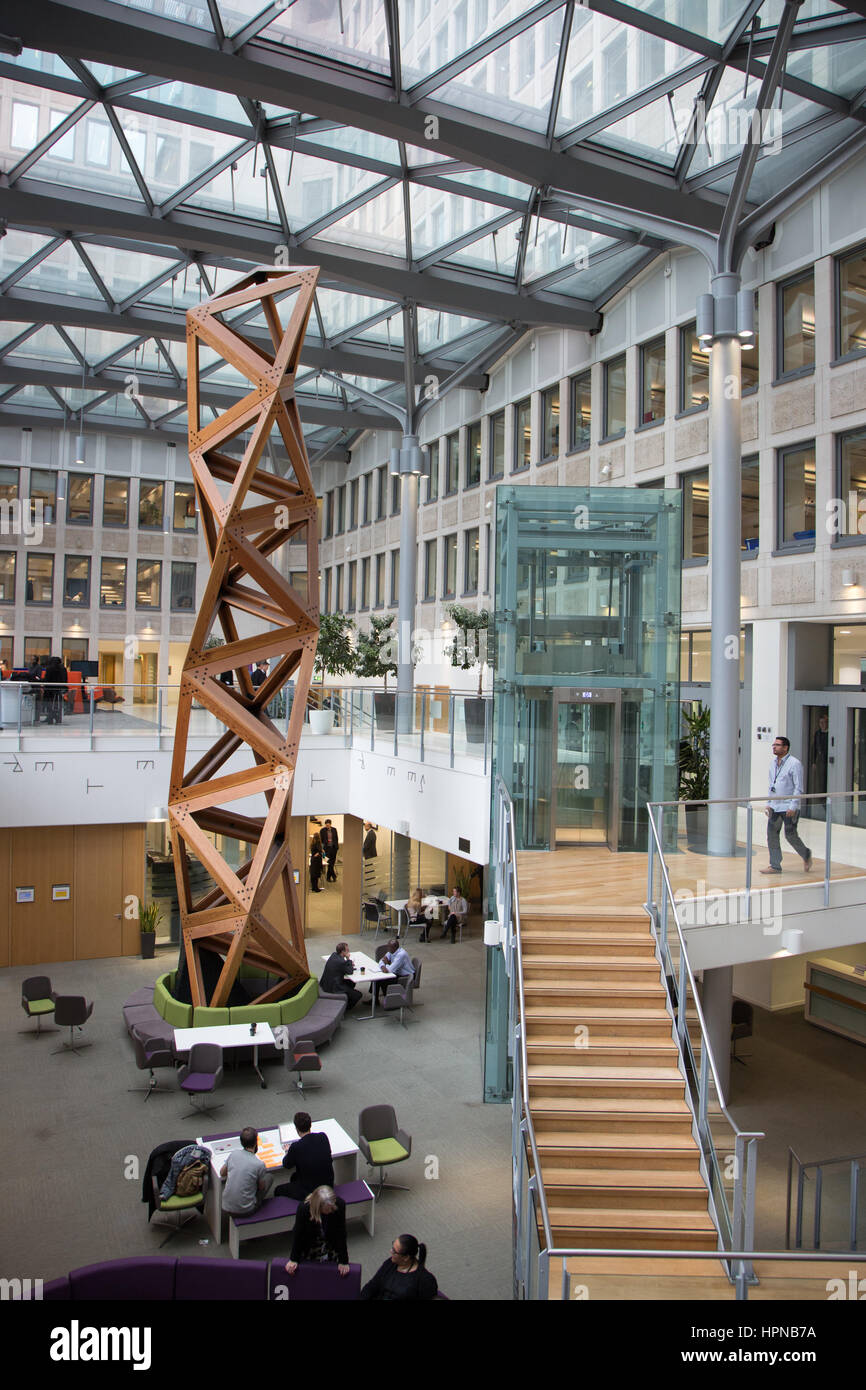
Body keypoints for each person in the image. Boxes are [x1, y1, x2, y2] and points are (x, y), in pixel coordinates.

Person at [762, 735, 812, 875]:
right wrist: (769, 803)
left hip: (789, 807)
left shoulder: (794, 763)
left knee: (790, 835)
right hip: (775, 807)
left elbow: (798, 787)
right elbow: (772, 785)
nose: (774, 747)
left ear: (785, 748)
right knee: (771, 834)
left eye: (777, 745)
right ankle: (775, 865)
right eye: (774, 744)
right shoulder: (773, 763)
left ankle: (806, 854)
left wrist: (793, 806)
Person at [284, 1185, 349, 1277]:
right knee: (311, 1272)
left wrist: (344, 1261)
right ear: (318, 1206)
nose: (331, 1211)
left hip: (330, 1241)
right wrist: (293, 1259)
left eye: (332, 1207)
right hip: (311, 1241)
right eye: (327, 1209)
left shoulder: (339, 1205)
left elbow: (341, 1233)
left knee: (330, 1272)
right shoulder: (304, 1208)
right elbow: (298, 1234)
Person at [274, 1111, 334, 1202]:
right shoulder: (323, 1137)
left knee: (278, 1190)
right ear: (310, 1125)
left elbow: (286, 1165)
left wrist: (287, 1150)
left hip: (311, 1191)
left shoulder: (296, 1147)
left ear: (297, 1129)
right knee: (294, 1177)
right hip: (328, 1184)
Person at [360, 1234, 438, 1301]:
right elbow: (372, 1285)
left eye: (394, 1251)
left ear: (406, 1257)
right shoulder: (390, 1263)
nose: (390, 1251)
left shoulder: (425, 1280)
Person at [220, 1127, 270, 1216]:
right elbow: (261, 1187)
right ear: (256, 1142)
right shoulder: (259, 1164)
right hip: (246, 1210)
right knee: (269, 1177)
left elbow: (222, 1173)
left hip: (225, 1206)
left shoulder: (234, 1154)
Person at [320, 941, 362, 1011]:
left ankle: (346, 997)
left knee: (352, 982)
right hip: (334, 987)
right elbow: (350, 972)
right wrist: (348, 959)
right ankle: (344, 1010)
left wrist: (348, 963)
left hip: (326, 983)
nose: (349, 952)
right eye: (347, 950)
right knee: (358, 995)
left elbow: (342, 967)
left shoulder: (334, 955)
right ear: (343, 952)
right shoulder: (341, 962)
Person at [375, 936, 415, 1004]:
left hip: (406, 976)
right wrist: (383, 966)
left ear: (395, 948)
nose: (387, 948)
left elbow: (390, 970)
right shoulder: (391, 952)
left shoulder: (401, 955)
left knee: (383, 980)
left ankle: (389, 999)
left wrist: (387, 964)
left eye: (389, 947)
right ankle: (374, 999)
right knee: (376, 978)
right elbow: (381, 960)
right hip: (397, 972)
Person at [41, 654, 68, 725]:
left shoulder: (49, 668)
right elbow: (65, 680)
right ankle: (57, 718)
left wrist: (40, 681)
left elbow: (47, 679)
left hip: (49, 690)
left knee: (48, 704)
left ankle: (51, 718)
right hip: (59, 690)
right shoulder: (63, 669)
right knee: (57, 704)